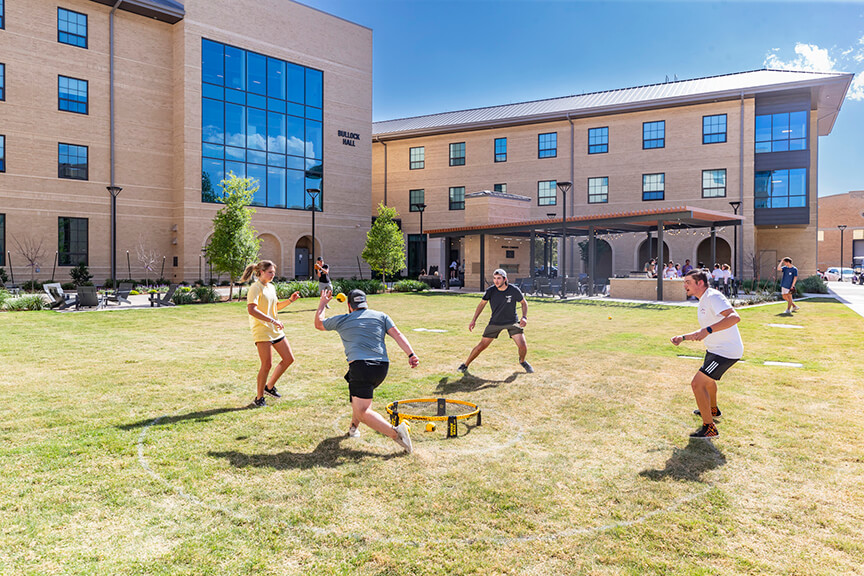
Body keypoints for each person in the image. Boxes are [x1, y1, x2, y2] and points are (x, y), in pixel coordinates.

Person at [314, 289, 417, 453]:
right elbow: (397, 334)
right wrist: (411, 354)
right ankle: (353, 429)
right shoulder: (381, 316)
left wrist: (322, 304)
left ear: (349, 305)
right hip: (381, 368)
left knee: (362, 411)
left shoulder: (343, 319)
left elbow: (319, 324)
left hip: (362, 367)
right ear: (365, 303)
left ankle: (396, 433)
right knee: (357, 396)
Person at [671, 270, 743, 438]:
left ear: (700, 283)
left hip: (725, 352)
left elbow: (734, 317)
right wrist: (683, 337)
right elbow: (704, 330)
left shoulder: (713, 297)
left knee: (698, 384)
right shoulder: (704, 300)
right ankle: (713, 410)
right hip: (714, 350)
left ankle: (709, 428)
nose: (685, 285)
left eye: (688, 282)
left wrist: (708, 330)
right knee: (708, 382)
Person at [241, 260, 301, 408]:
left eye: (274, 272)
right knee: (266, 364)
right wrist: (273, 320)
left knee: (288, 359)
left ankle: (269, 387)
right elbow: (252, 310)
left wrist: (290, 300)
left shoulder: (271, 287)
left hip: (275, 329)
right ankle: (259, 398)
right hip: (262, 330)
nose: (273, 275)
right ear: (261, 272)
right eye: (270, 272)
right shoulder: (255, 288)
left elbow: (275, 307)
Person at [458, 268, 532, 374]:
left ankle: (522, 361)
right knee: (481, 346)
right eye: (494, 278)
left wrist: (524, 317)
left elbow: (524, 303)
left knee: (523, 345)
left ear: (505, 279)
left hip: (512, 321)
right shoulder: (491, 291)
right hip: (495, 322)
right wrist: (473, 320)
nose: (496, 281)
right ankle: (465, 365)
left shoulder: (513, 290)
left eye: (499, 278)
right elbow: (481, 305)